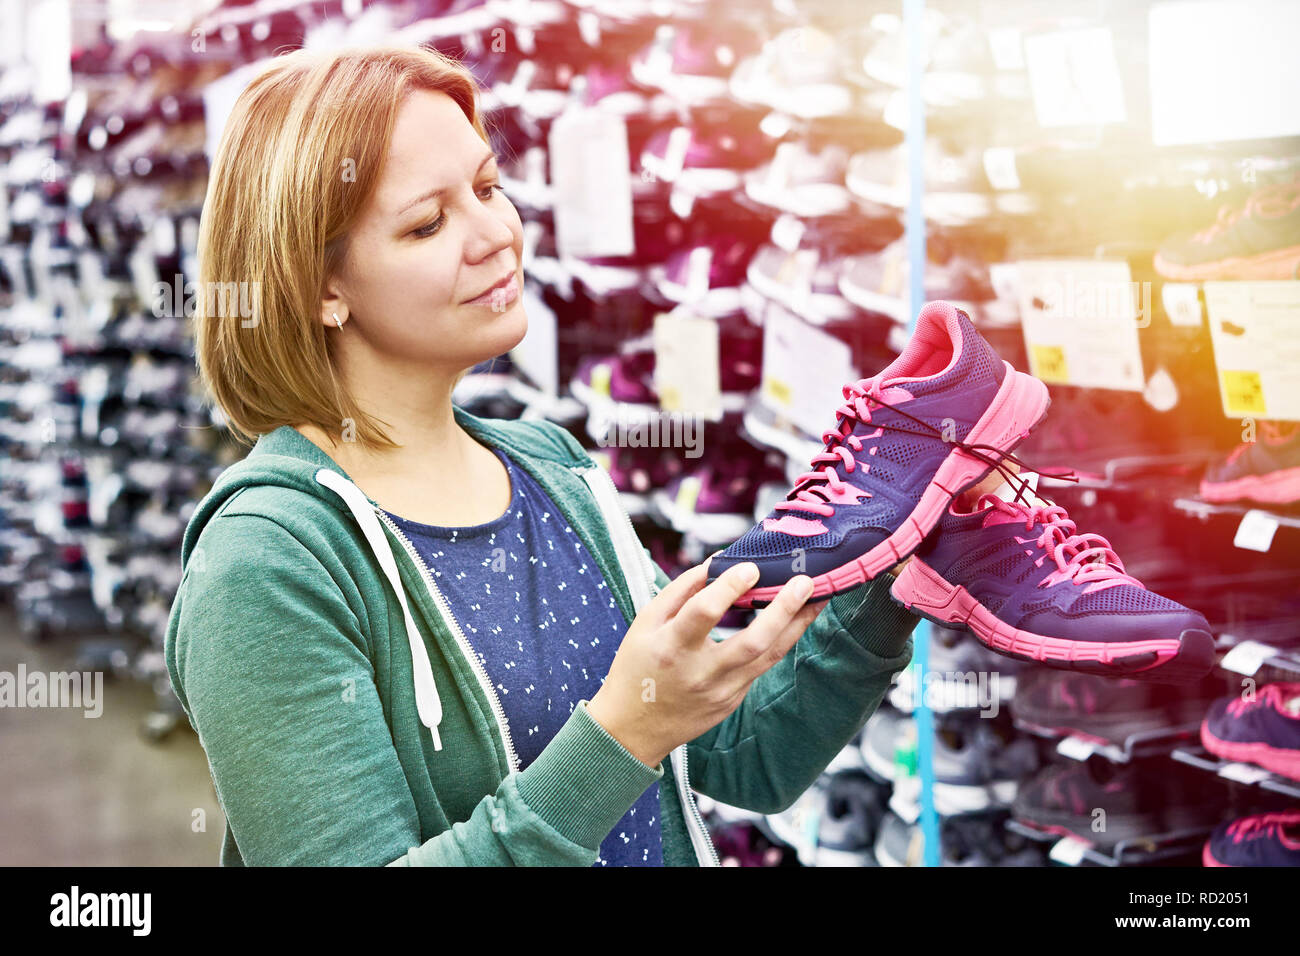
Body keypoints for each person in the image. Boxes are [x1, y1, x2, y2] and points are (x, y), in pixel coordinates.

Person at [165, 44, 961, 867]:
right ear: (318, 287)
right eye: (428, 223)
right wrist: (622, 734)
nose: (496, 235)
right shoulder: (266, 564)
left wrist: (899, 552)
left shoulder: (554, 470)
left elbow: (746, 754)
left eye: (486, 188)